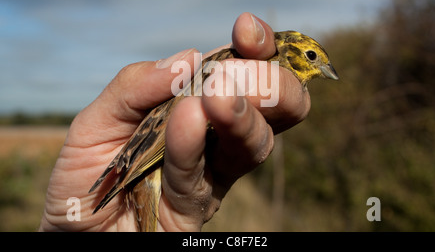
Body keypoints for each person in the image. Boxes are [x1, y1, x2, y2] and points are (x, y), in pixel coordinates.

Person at [38, 12, 311, 231]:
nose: (323, 70)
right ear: (290, 52)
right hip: (147, 163)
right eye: (311, 57)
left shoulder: (244, 67)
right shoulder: (240, 63)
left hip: (147, 164)